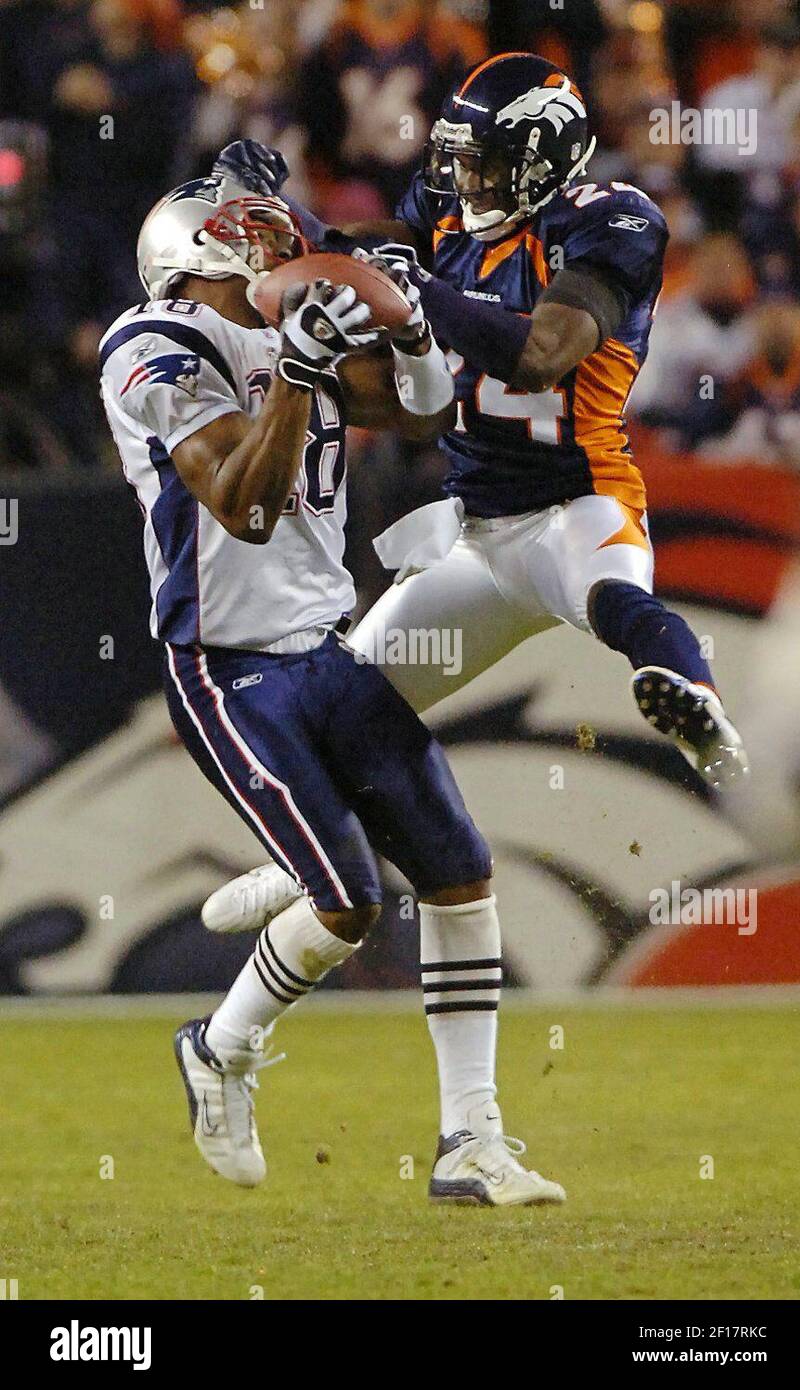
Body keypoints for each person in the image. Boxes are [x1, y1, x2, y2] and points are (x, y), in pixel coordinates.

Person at [205, 54, 750, 943]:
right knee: (345, 704)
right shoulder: (456, 213)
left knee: (614, 597)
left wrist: (415, 287)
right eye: (460, 158)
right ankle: (305, 861)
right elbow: (367, 252)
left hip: (577, 497)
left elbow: (542, 351)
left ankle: (697, 705)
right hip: (477, 534)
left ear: (541, 158)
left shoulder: (612, 221)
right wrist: (284, 215)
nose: (464, 177)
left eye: (484, 159)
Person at [99, 170, 566, 1208]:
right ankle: (217, 1047)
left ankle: (469, 1140)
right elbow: (243, 506)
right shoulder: (150, 344)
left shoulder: (275, 335)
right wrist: (303, 367)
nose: (280, 253)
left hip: (326, 650)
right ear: (195, 255)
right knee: (348, 902)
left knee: (457, 866)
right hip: (227, 668)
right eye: (255, 239)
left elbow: (423, 417)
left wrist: (407, 336)